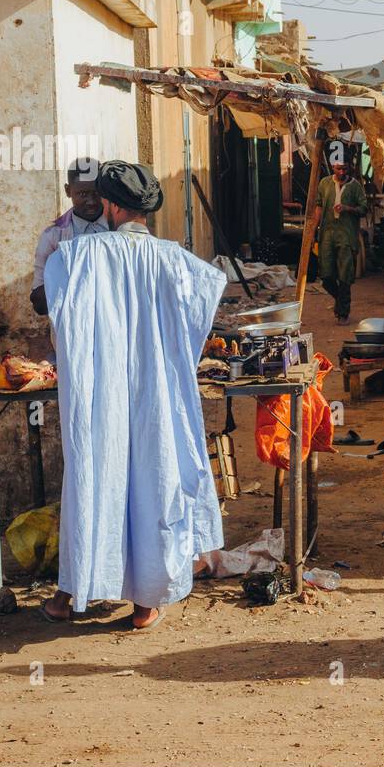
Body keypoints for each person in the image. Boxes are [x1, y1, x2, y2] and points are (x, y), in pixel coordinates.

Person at [40, 161, 227, 631]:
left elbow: (51, 303)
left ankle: (71, 592)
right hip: (159, 395)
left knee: (94, 479)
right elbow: (206, 303)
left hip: (100, 393)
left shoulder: (77, 257)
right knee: (157, 480)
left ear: (109, 205)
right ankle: (146, 604)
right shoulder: (178, 261)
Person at [30, 160, 108, 316]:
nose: (91, 202)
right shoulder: (53, 237)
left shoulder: (118, 230)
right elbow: (39, 301)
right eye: (83, 194)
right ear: (67, 190)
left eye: (97, 193)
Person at [317, 155, 367, 325]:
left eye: (344, 168)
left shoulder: (355, 186)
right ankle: (340, 300)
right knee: (326, 276)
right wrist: (313, 229)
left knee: (345, 275)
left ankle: (343, 312)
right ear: (333, 167)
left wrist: (347, 208)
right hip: (327, 233)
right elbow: (318, 205)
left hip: (347, 234)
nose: (341, 172)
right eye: (338, 168)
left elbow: (363, 208)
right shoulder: (324, 183)